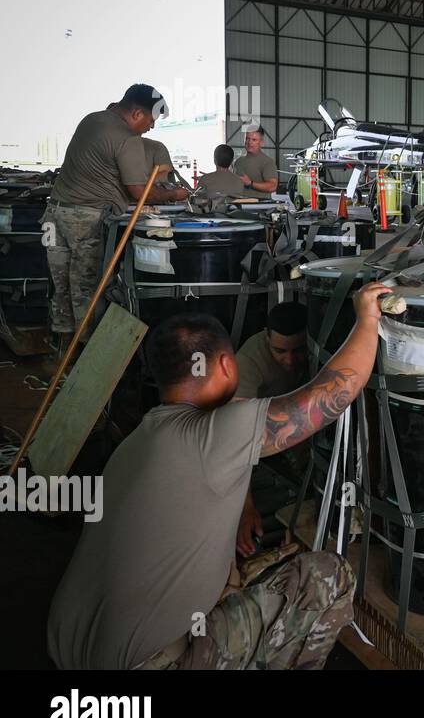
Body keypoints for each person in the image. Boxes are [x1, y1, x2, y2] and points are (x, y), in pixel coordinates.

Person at [46, 281, 393, 670]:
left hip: (69, 653)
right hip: (148, 667)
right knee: (329, 574)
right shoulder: (212, 433)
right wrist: (367, 317)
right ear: (227, 365)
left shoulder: (137, 441)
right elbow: (334, 394)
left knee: (239, 573)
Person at [42, 85, 189, 343]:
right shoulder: (127, 139)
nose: (151, 128)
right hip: (85, 220)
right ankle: (87, 356)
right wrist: (173, 195)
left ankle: (61, 349)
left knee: (61, 285)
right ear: (136, 113)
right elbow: (138, 192)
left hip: (54, 215)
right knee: (86, 289)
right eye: (151, 120)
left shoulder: (90, 119)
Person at [234, 301, 311, 557]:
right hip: (257, 429)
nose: (290, 360)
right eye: (280, 351)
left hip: (303, 421)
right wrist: (245, 507)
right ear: (267, 339)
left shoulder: (319, 349)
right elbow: (236, 438)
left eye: (299, 350)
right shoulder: (248, 360)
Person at [233, 125, 278, 198]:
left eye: (254, 140)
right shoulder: (238, 162)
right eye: (247, 139)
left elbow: (272, 186)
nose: (249, 142)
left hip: (259, 206)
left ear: (261, 143)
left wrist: (250, 183)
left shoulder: (267, 162)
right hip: (239, 204)